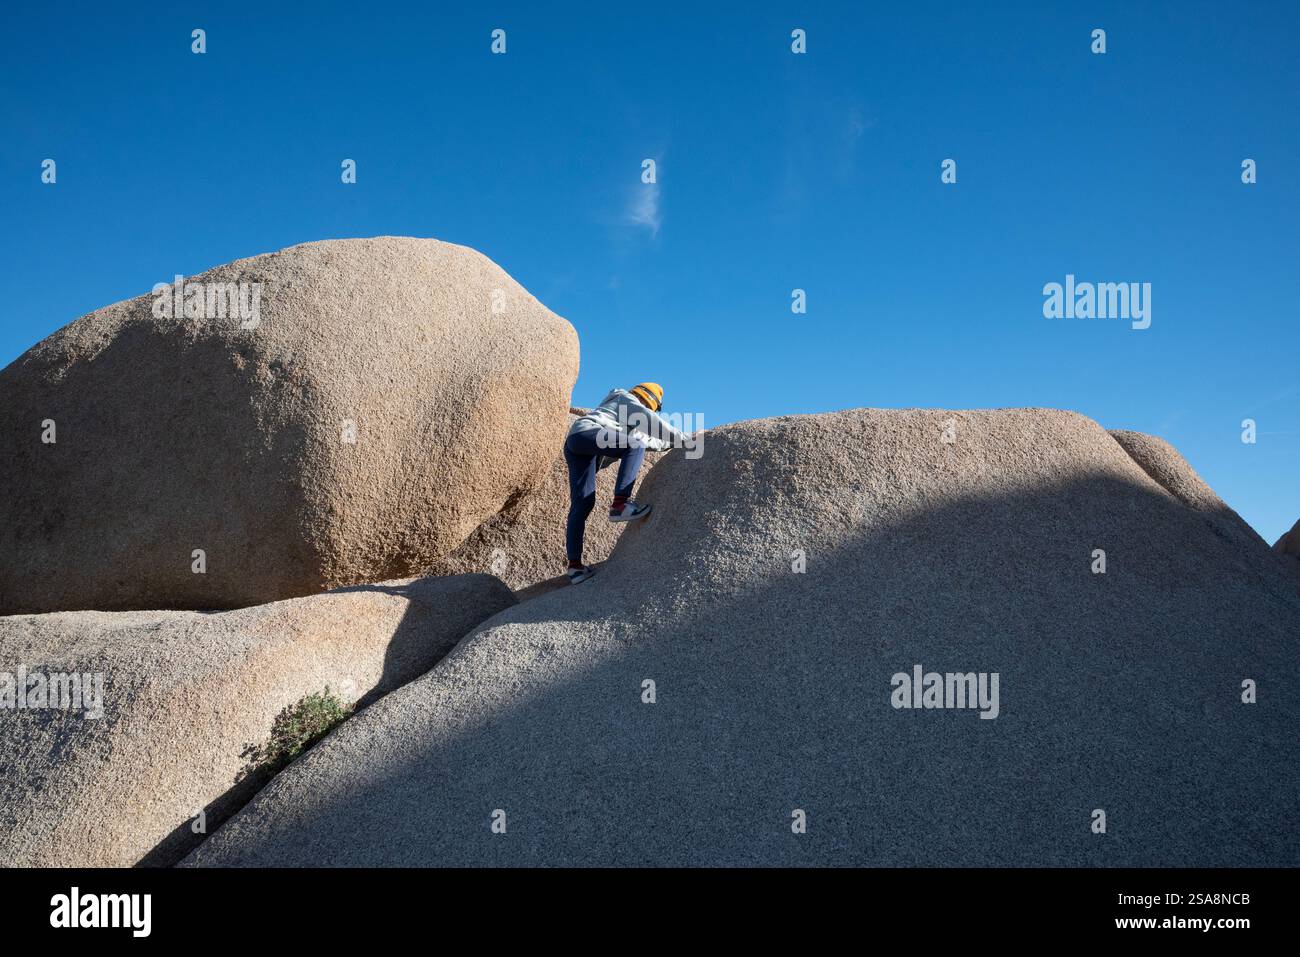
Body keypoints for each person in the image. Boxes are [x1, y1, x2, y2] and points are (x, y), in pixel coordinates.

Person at [563, 382, 687, 584]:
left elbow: (655, 442)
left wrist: (683, 440)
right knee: (634, 445)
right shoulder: (624, 399)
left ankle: (575, 567)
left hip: (578, 444)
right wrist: (688, 441)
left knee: (583, 503)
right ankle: (621, 504)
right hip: (585, 434)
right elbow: (653, 424)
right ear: (647, 403)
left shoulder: (630, 429)